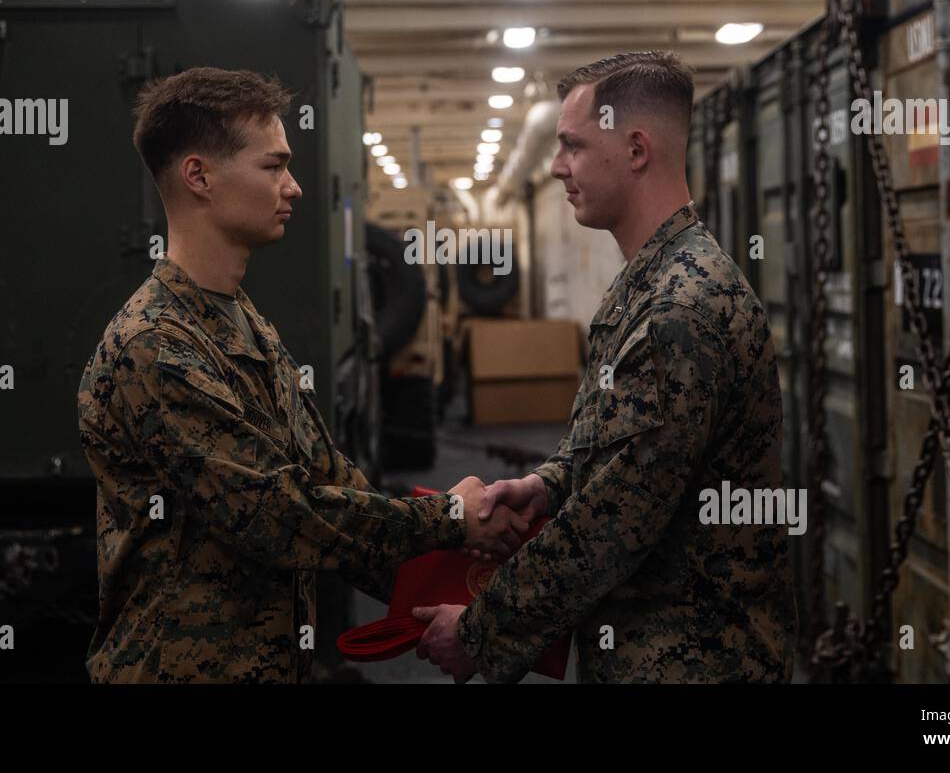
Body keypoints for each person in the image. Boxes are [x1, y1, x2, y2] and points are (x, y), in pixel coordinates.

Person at [77, 67, 527, 683]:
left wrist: (453, 549)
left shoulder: (242, 321)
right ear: (199, 176)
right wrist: (448, 519)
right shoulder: (154, 346)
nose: (294, 187)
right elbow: (278, 513)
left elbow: (324, 474)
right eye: (273, 167)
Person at [415, 51, 798, 683]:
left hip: (695, 662)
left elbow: (612, 525)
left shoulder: (680, 308)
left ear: (636, 150)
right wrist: (548, 484)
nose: (557, 167)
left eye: (572, 146)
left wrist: (482, 630)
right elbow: (617, 454)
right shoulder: (644, 287)